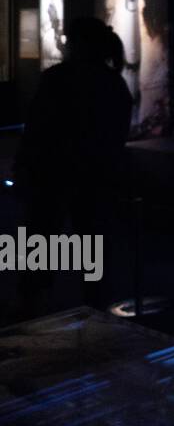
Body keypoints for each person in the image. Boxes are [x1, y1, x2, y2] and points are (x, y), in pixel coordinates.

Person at [12, 17, 133, 316]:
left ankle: (33, 302)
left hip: (51, 173)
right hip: (96, 175)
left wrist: (25, 165)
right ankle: (96, 302)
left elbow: (37, 127)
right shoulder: (113, 82)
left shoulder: (59, 77)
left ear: (79, 43)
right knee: (92, 238)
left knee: (41, 236)